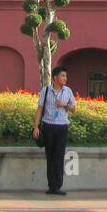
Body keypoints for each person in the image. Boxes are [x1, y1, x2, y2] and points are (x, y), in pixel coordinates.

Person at [32, 67, 75, 196]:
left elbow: (74, 109)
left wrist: (65, 105)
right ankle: (51, 186)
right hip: (48, 126)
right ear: (55, 77)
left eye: (65, 76)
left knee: (59, 156)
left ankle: (58, 186)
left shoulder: (68, 91)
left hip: (62, 127)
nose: (65, 78)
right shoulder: (45, 91)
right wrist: (36, 127)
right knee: (50, 156)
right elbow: (39, 109)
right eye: (62, 76)